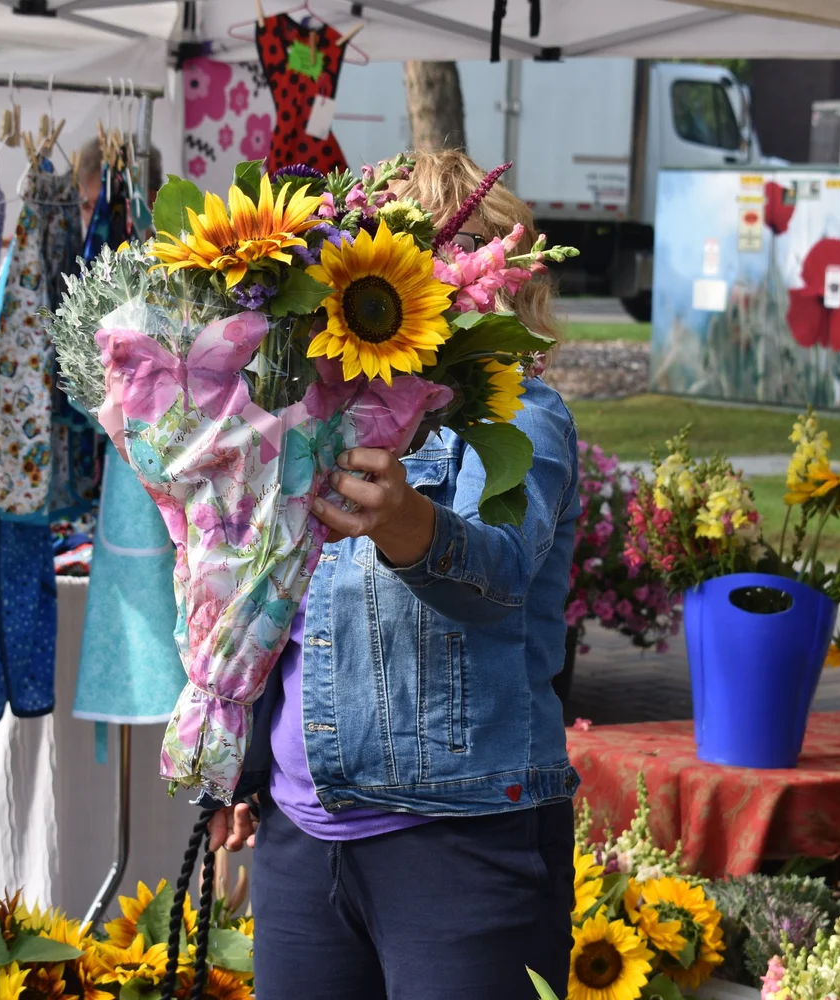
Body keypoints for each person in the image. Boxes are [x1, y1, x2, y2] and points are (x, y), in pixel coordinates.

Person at [211, 149, 580, 1000]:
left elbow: (499, 571)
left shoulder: (524, 415)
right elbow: (275, 604)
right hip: (305, 838)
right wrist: (240, 767)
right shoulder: (319, 411)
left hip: (460, 837)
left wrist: (410, 525)